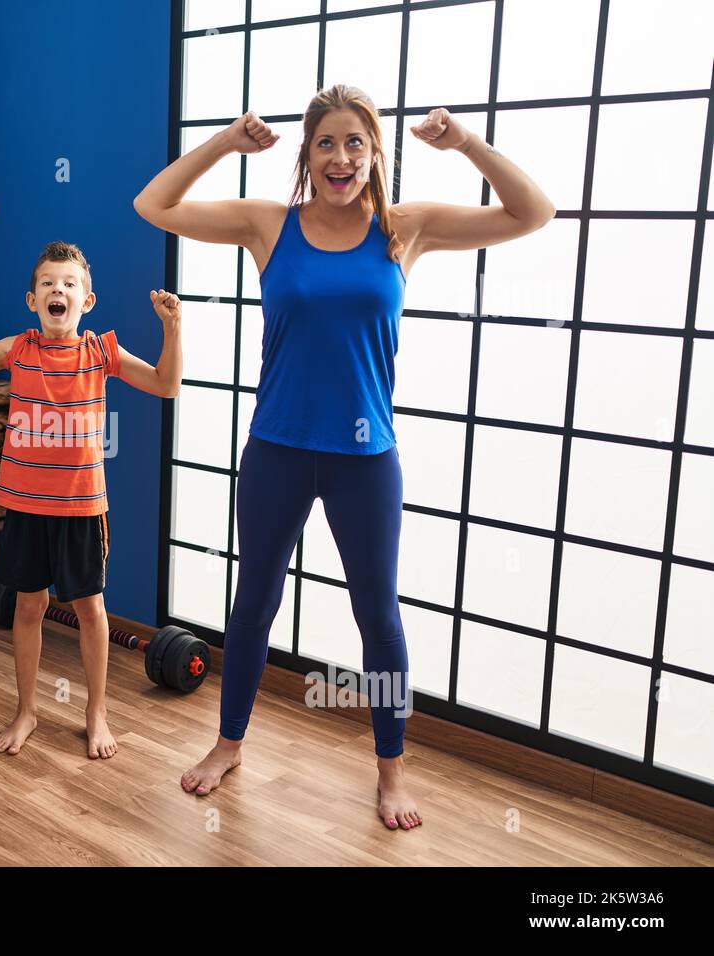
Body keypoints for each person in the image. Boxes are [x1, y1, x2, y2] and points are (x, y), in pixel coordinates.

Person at [134, 84, 555, 829]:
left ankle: (391, 770)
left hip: (366, 460)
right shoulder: (269, 225)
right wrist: (227, 142)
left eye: (355, 142)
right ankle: (228, 744)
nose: (340, 157)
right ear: (307, 155)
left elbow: (533, 212)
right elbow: (154, 205)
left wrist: (466, 145)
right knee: (254, 603)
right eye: (325, 143)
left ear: (374, 154)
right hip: (277, 451)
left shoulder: (403, 230)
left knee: (377, 616)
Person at [0, 243, 183, 758]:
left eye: (69, 284)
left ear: (87, 300)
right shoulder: (16, 349)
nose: (58, 291)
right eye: (48, 283)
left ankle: (96, 714)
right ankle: (26, 711)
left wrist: (172, 328)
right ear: (31, 299)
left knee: (91, 609)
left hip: (81, 509)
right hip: (25, 507)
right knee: (29, 606)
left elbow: (167, 383)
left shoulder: (101, 352)